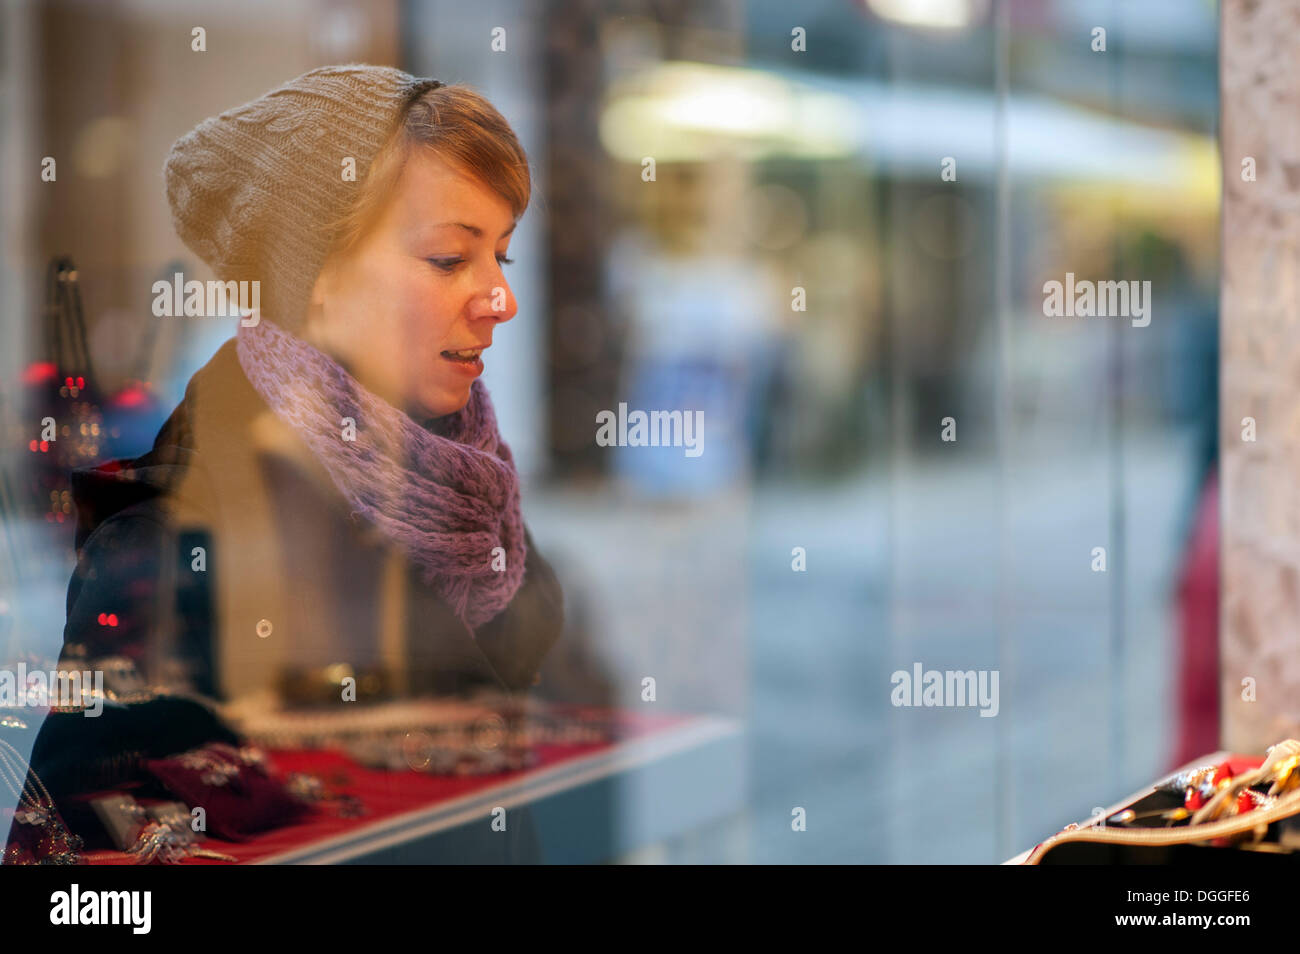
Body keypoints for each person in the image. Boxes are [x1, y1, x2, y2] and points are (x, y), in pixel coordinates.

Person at [19, 65, 564, 862]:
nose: (499, 299)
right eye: (451, 259)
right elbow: (78, 871)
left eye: (502, 259)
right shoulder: (169, 545)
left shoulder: (465, 482)